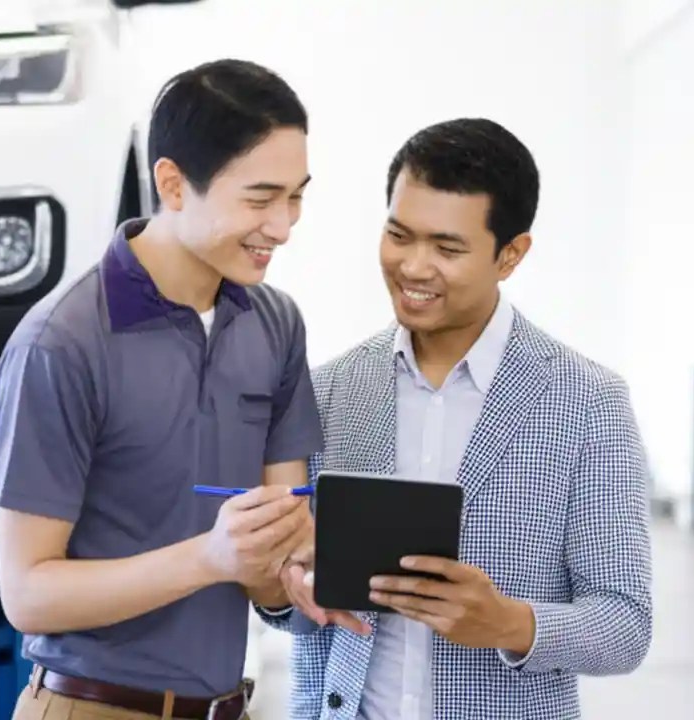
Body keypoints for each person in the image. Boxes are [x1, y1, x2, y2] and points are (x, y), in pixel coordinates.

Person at [258, 118, 653, 720]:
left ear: (511, 255)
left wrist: (509, 624)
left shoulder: (588, 403)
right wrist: (288, 588)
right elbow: (293, 599)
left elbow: (626, 623)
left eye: (447, 249)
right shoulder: (332, 388)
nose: (414, 267)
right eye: (398, 235)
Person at [0, 58, 327, 720]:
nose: (284, 226)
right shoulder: (61, 344)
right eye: (260, 199)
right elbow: (27, 593)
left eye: (297, 196)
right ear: (172, 184)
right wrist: (211, 556)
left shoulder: (276, 324)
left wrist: (299, 577)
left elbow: (284, 541)